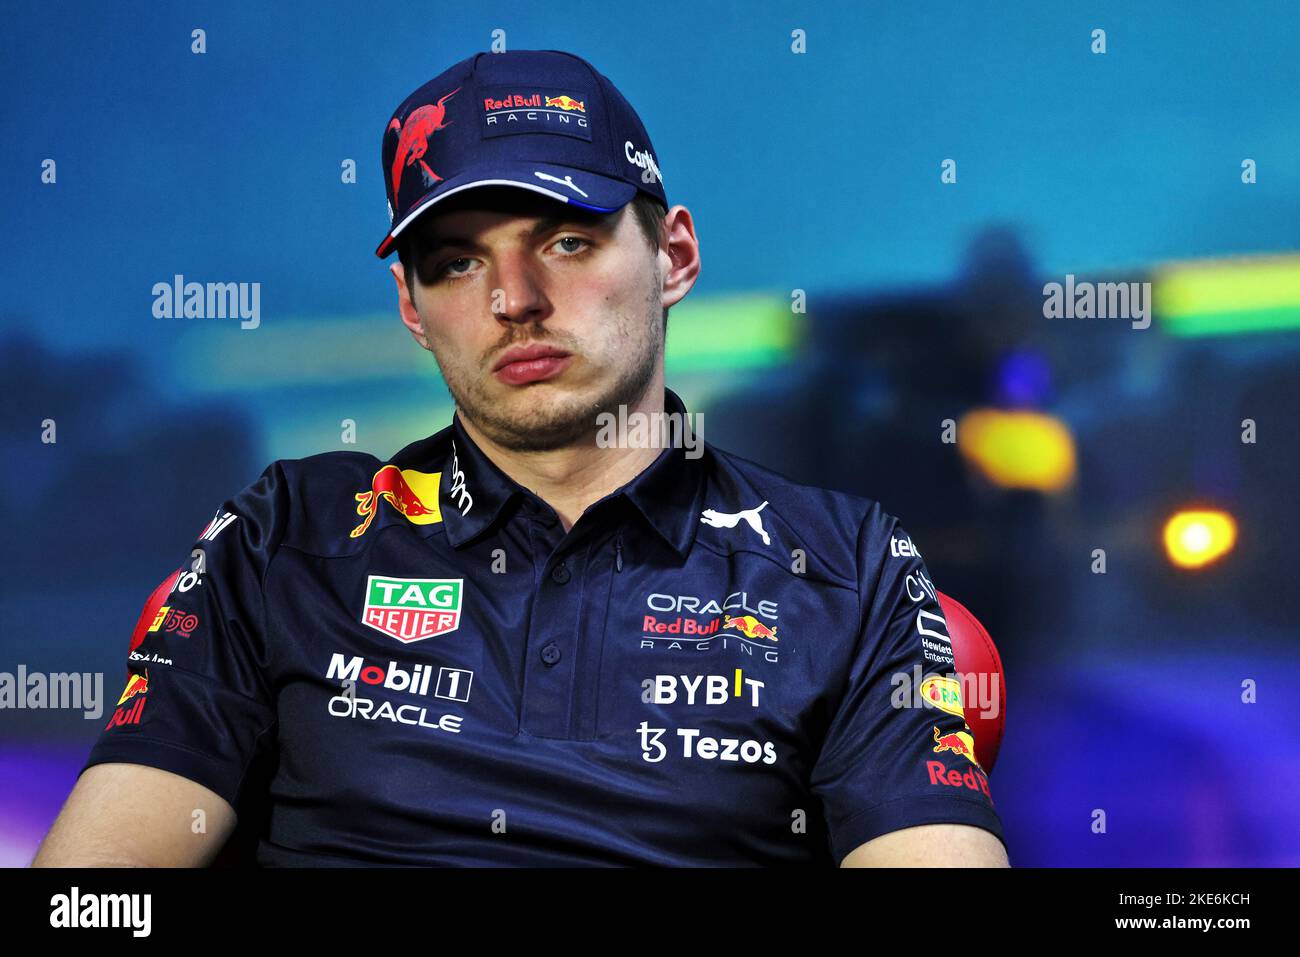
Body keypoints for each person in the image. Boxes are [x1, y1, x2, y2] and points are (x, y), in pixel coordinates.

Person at [34, 49, 1008, 867]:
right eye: (457, 261)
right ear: (413, 310)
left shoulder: (844, 565)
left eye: (568, 241)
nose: (513, 298)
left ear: (672, 256)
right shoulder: (282, 540)